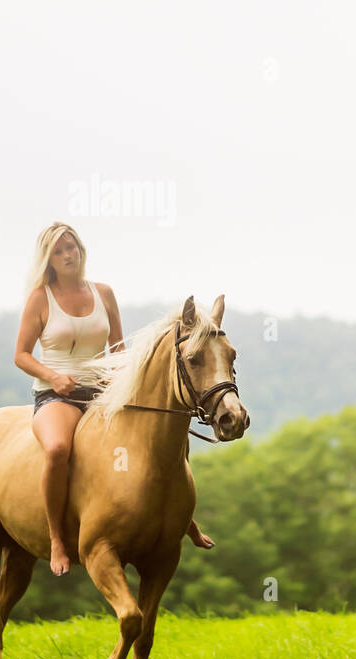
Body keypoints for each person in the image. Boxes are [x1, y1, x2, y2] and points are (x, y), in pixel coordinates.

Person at [14, 221, 214, 574]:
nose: (67, 255)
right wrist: (53, 376)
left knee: (166, 432)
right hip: (57, 396)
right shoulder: (39, 299)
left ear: (80, 249)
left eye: (71, 247)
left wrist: (121, 383)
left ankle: (185, 521)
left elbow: (119, 349)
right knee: (58, 449)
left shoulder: (103, 294)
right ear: (49, 259)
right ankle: (57, 539)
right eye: (59, 251)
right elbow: (21, 355)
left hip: (104, 393)